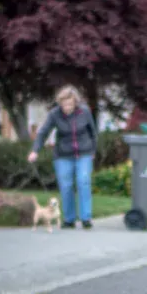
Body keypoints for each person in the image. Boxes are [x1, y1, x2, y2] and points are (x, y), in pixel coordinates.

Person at [28, 86, 98, 229]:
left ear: (75, 102)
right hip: (63, 155)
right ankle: (69, 219)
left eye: (70, 104)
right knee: (66, 186)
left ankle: (86, 218)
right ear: (60, 103)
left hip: (84, 153)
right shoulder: (55, 114)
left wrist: (93, 150)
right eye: (64, 105)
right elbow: (43, 133)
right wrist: (35, 151)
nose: (67, 108)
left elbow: (93, 132)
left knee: (83, 182)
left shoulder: (84, 111)